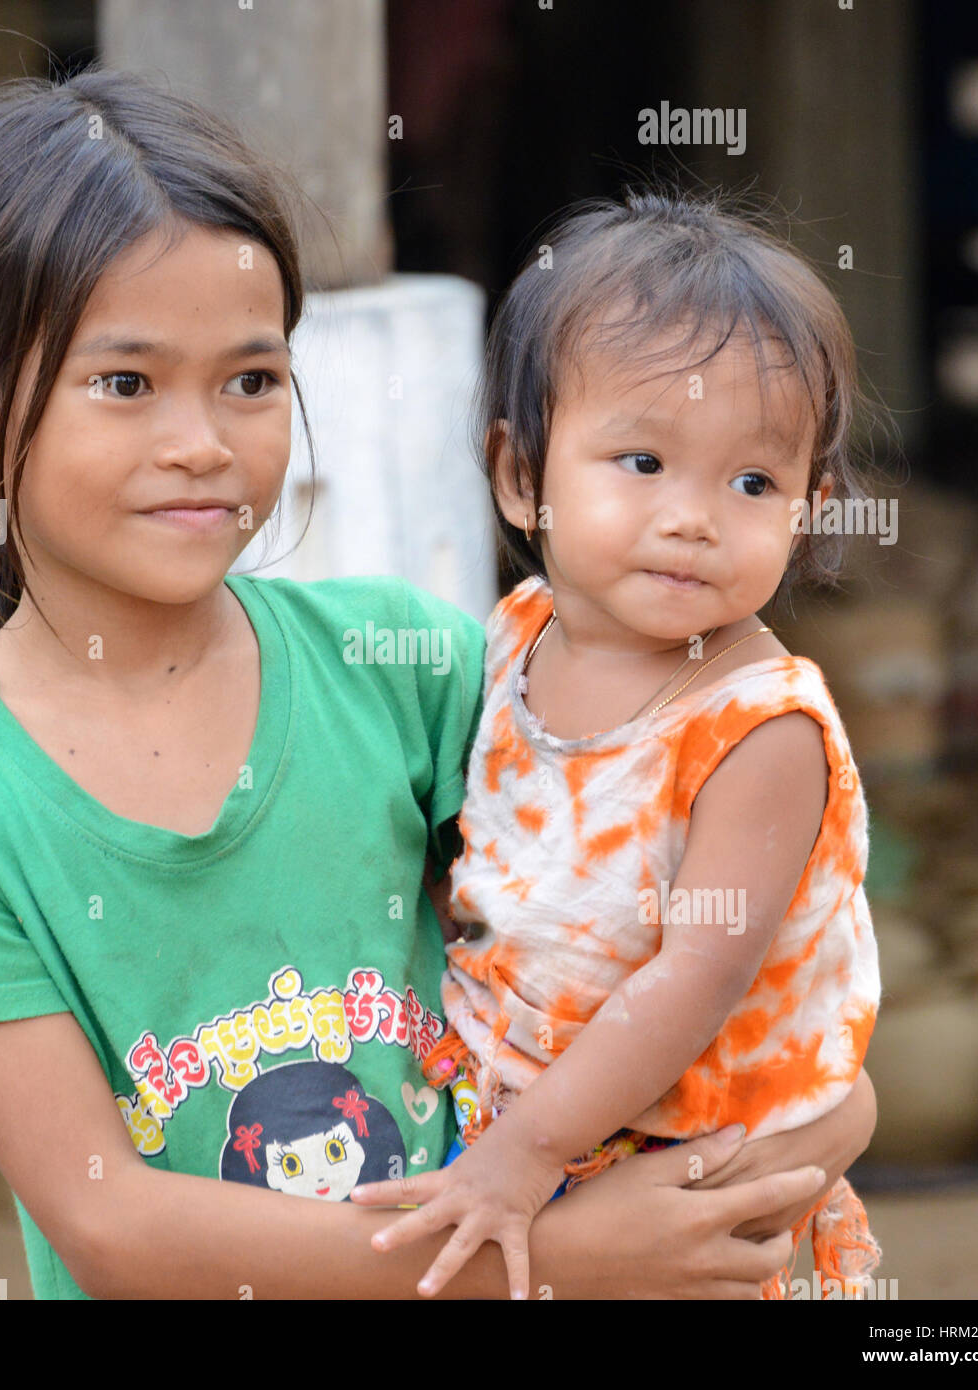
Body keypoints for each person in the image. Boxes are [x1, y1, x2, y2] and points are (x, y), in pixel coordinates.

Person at [0, 69, 874, 1300]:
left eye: (252, 380)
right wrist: (558, 1265)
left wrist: (827, 1118)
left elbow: (649, 957)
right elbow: (112, 1228)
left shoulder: (409, 665)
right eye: (126, 382)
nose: (203, 440)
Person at [352, 192, 884, 1302]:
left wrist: (526, 1151)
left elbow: (694, 978)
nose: (693, 516)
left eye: (752, 482)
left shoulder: (757, 730)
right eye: (640, 461)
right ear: (517, 474)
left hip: (691, 1188)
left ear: (806, 509)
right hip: (523, 1150)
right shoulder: (513, 638)